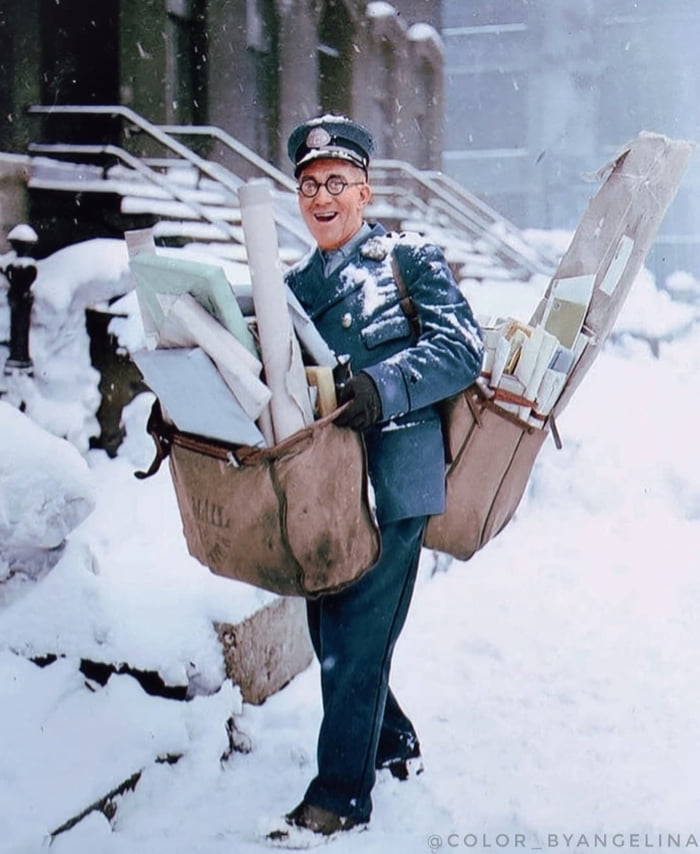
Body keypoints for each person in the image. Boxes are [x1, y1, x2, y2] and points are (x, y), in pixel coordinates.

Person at [267, 115, 484, 845]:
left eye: (336, 183)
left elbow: (462, 349)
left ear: (363, 190)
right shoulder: (291, 288)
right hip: (323, 491)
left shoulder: (407, 259)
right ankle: (391, 742)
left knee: (356, 637)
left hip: (394, 480)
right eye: (308, 185)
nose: (321, 197)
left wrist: (383, 387)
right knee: (330, 629)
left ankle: (338, 799)